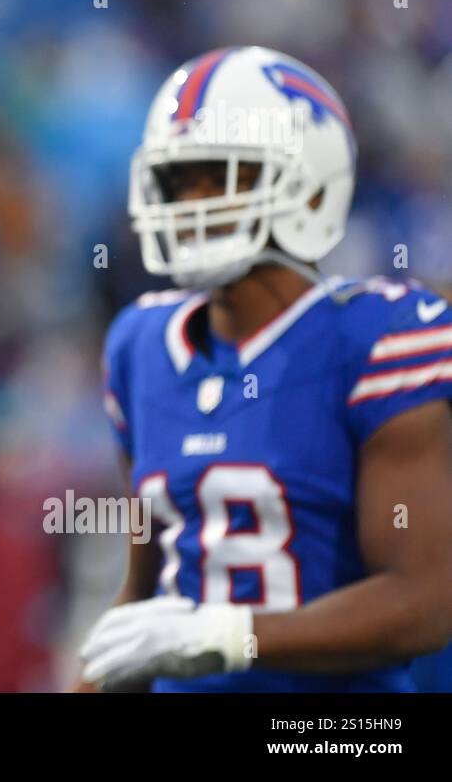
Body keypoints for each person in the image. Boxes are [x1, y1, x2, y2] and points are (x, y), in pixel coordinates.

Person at [79, 45, 452, 692]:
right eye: (179, 181)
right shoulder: (139, 345)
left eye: (219, 177)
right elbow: (147, 600)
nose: (191, 204)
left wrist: (232, 635)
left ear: (308, 185)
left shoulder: (379, 338)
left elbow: (423, 604)